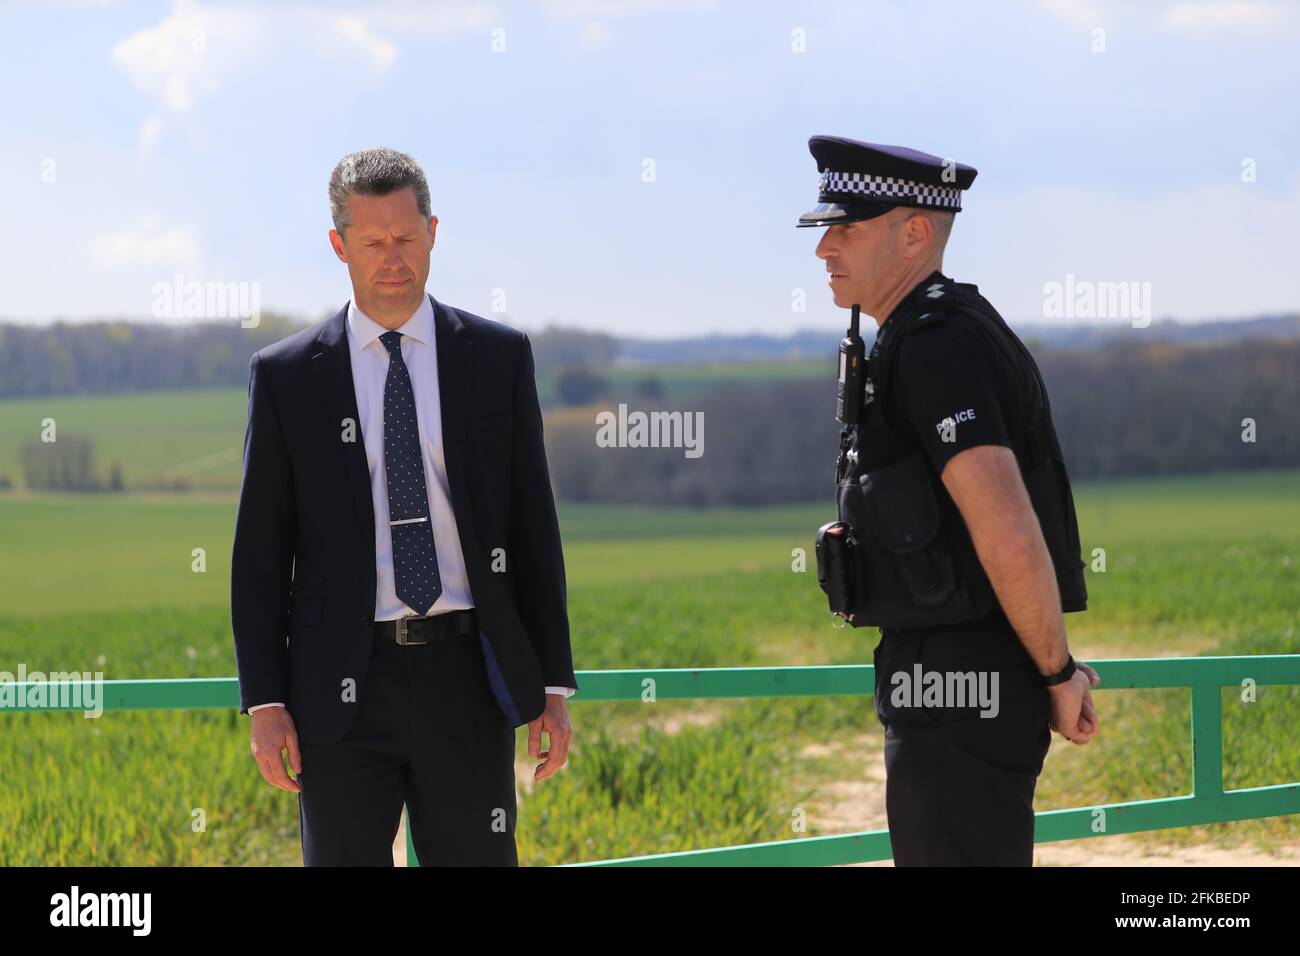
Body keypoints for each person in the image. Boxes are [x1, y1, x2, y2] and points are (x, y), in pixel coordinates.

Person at [231, 147, 577, 866]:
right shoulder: (288, 376)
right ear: (340, 246)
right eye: (372, 242)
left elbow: (532, 527)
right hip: (337, 693)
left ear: (433, 233)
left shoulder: (496, 356)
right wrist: (265, 703)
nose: (393, 258)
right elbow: (261, 555)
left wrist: (550, 682)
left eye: (406, 238)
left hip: (469, 679)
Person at [800, 135, 1100, 866]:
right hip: (946, 676)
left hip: (964, 679)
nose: (824, 249)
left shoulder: (937, 345)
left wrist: (1058, 674)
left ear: (914, 233)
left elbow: (1006, 530)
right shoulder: (923, 334)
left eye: (847, 228)